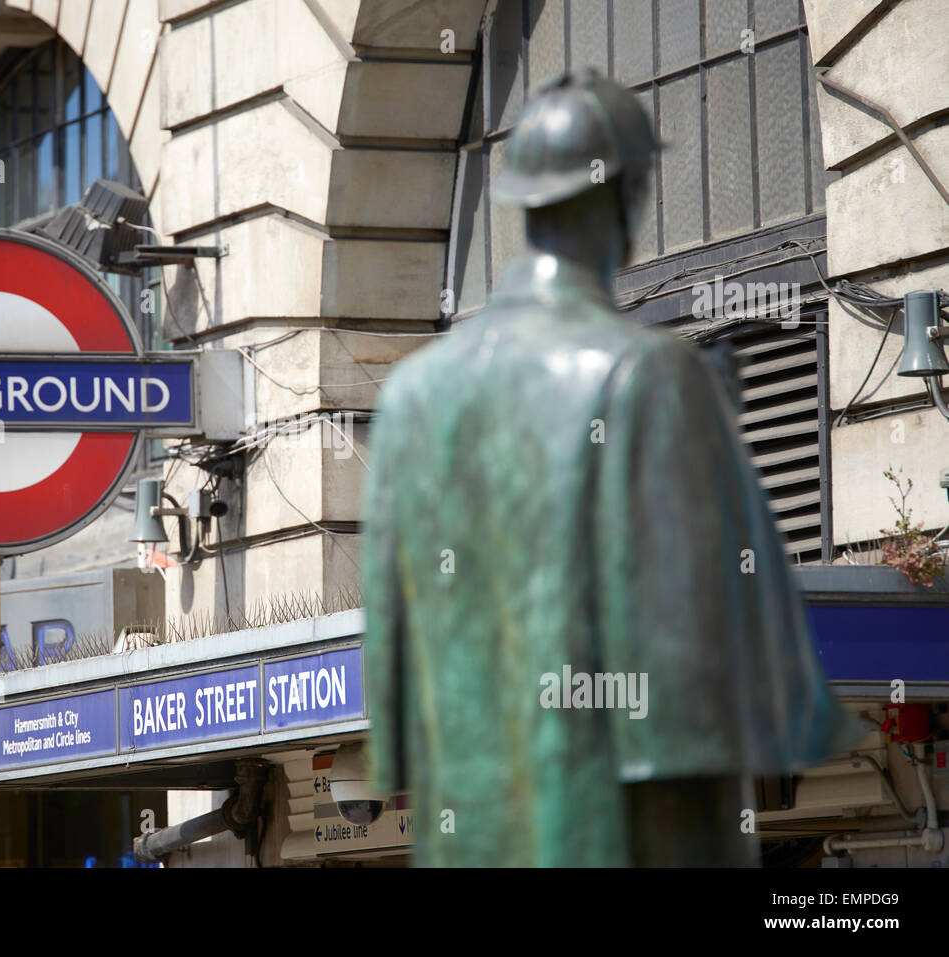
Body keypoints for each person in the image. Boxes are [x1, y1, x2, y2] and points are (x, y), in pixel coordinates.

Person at [361, 69, 858, 866]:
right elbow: (719, 659)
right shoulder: (649, 375)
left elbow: (390, 668)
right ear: (626, 195)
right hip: (629, 822)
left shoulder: (413, 393)